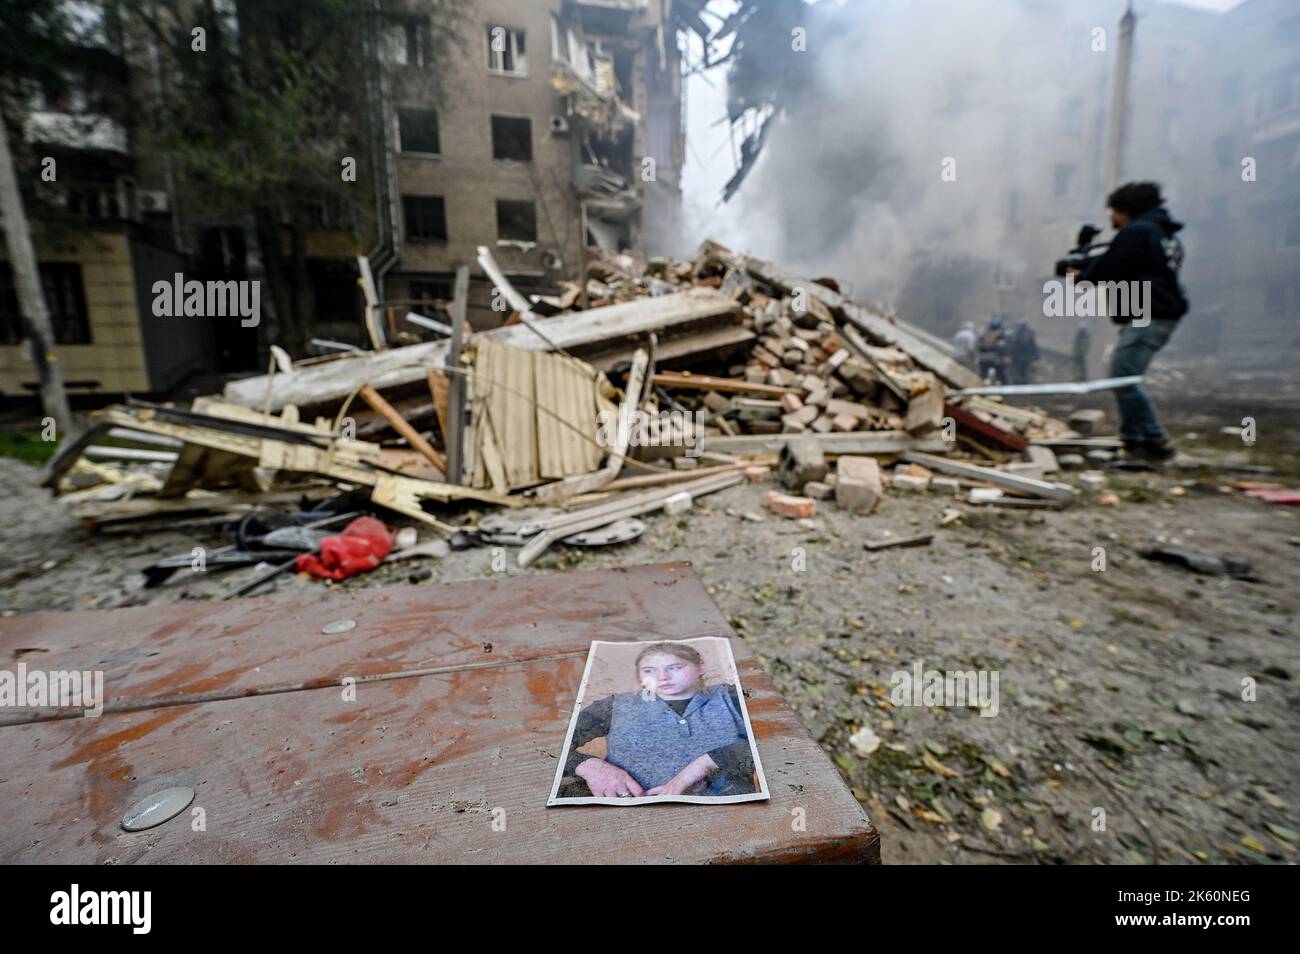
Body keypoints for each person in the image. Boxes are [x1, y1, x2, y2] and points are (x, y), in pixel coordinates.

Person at [1076, 181, 1188, 462]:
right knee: (1124, 377)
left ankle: (1155, 441)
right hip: (1157, 312)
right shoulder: (1163, 234)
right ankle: (1134, 442)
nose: (1111, 218)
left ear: (1126, 210)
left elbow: (1106, 270)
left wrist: (1079, 272)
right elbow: (1129, 267)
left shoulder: (1138, 231)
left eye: (1113, 211)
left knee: (1123, 376)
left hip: (1149, 313)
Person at [564, 642, 756, 798]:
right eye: (649, 670)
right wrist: (589, 766)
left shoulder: (731, 696)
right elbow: (551, 747)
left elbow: (773, 740)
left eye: (674, 667)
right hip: (631, 815)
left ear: (701, 667)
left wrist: (705, 764)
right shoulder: (615, 705)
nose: (662, 677)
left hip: (729, 813)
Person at [977, 316, 1010, 384]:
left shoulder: (984, 334)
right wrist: (1003, 357)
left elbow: (979, 346)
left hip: (983, 358)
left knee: (982, 377)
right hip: (994, 358)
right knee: (1002, 376)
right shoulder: (1000, 334)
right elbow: (1001, 347)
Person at [1008, 319, 1040, 384]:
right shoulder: (1023, 334)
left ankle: (1022, 382)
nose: (1017, 327)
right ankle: (1022, 381)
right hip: (1023, 357)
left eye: (1019, 326)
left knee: (1022, 371)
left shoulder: (1023, 334)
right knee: (1022, 371)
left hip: (1023, 357)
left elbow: (1021, 346)